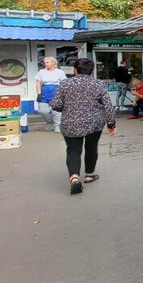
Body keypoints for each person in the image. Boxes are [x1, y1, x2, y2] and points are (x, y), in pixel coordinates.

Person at [50, 58, 117, 195]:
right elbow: (108, 106)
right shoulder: (98, 84)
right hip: (94, 123)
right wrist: (111, 124)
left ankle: (74, 178)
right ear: (92, 71)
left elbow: (56, 104)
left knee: (73, 150)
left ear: (75, 70)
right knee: (91, 148)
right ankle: (89, 175)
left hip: (71, 123)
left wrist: (67, 107)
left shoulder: (65, 84)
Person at [35, 57, 67, 133]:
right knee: (42, 111)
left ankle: (57, 126)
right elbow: (38, 83)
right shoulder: (41, 72)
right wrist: (39, 94)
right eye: (44, 62)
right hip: (44, 93)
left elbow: (64, 83)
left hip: (56, 93)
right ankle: (49, 121)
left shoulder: (60, 72)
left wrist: (63, 94)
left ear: (53, 63)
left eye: (47, 62)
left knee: (56, 111)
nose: (45, 64)